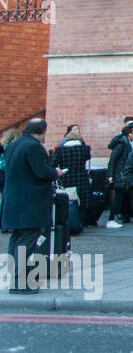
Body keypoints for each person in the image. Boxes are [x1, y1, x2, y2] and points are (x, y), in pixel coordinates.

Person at [2, 119, 64, 292]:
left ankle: (15, 278)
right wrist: (55, 173)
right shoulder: (34, 147)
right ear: (40, 131)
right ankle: (20, 282)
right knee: (28, 240)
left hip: (13, 201)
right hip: (30, 204)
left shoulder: (13, 145)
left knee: (16, 239)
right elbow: (41, 172)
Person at [51, 126, 91, 234]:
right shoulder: (85, 149)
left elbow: (53, 164)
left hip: (66, 178)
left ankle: (69, 223)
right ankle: (80, 224)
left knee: (69, 201)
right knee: (83, 202)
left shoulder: (60, 150)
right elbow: (88, 159)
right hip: (82, 177)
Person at [105, 120, 133, 229]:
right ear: (130, 134)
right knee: (118, 198)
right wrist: (110, 175)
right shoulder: (121, 144)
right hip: (120, 175)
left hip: (126, 174)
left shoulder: (130, 143)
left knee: (132, 196)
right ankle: (111, 219)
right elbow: (112, 160)